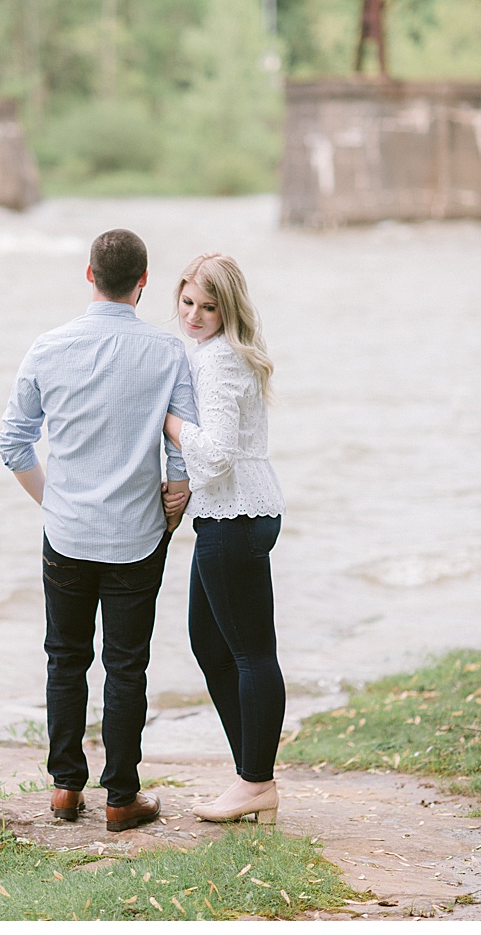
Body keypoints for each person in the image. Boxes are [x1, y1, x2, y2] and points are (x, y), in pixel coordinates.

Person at [0, 228, 197, 832]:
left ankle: (65, 789)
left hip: (67, 533)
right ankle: (120, 798)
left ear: (89, 275)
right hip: (136, 533)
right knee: (126, 666)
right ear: (144, 282)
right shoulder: (168, 352)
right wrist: (174, 503)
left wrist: (53, 502)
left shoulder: (48, 347)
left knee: (64, 659)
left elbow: (12, 444)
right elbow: (182, 448)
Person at [162, 253, 285, 824]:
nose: (194, 315)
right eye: (187, 301)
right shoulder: (220, 354)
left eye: (208, 307)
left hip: (234, 517)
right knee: (210, 646)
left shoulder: (217, 362)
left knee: (250, 653)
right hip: (233, 513)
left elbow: (214, 457)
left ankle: (255, 782)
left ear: (228, 309)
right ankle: (250, 774)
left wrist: (168, 421)